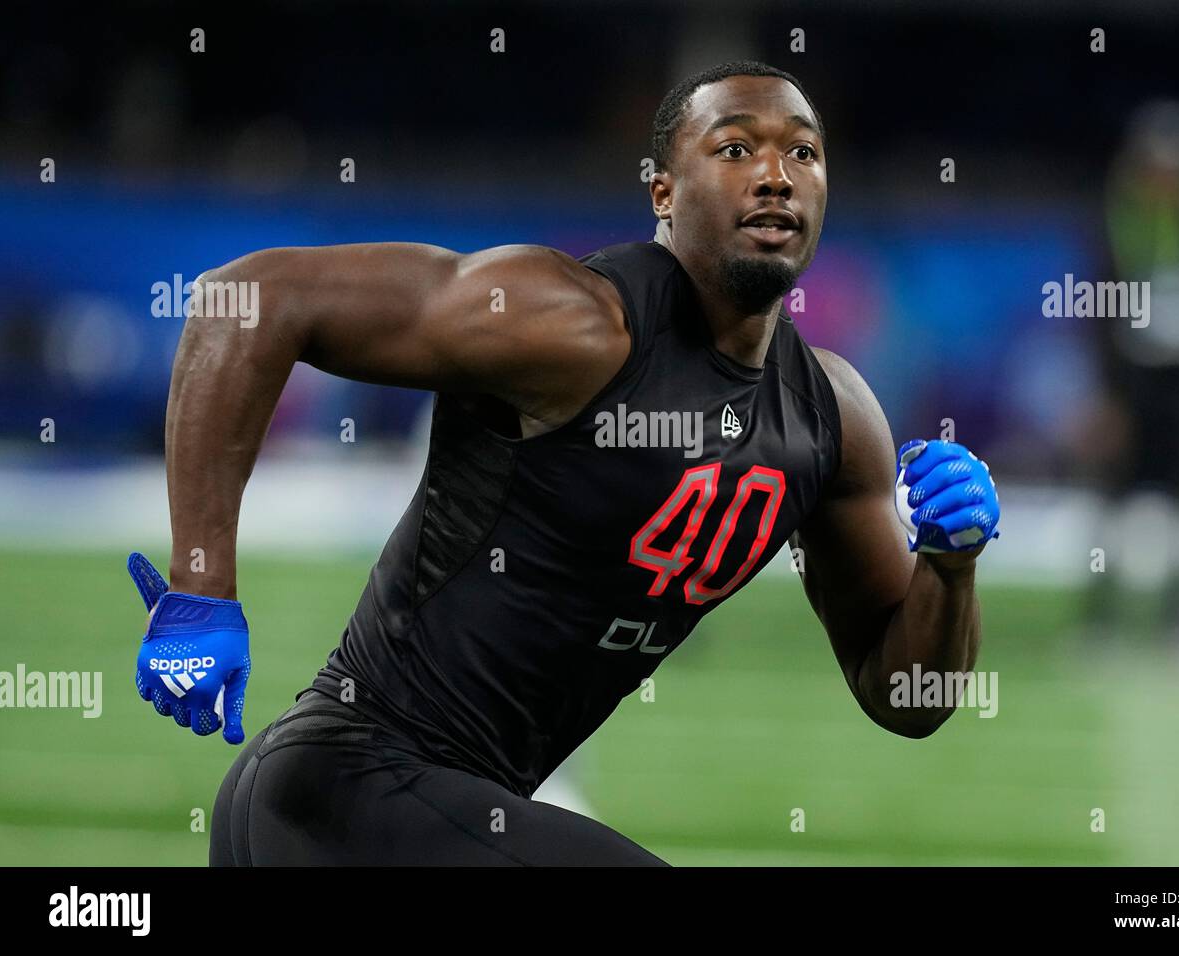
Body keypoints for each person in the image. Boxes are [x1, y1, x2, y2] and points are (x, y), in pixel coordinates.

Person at [127, 61, 1000, 866]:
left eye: (803, 153)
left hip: (440, 812)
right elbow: (248, 300)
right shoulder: (576, 323)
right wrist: (201, 582)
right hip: (344, 790)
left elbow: (908, 699)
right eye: (735, 148)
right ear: (663, 190)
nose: (776, 174)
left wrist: (951, 567)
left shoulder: (831, 419)